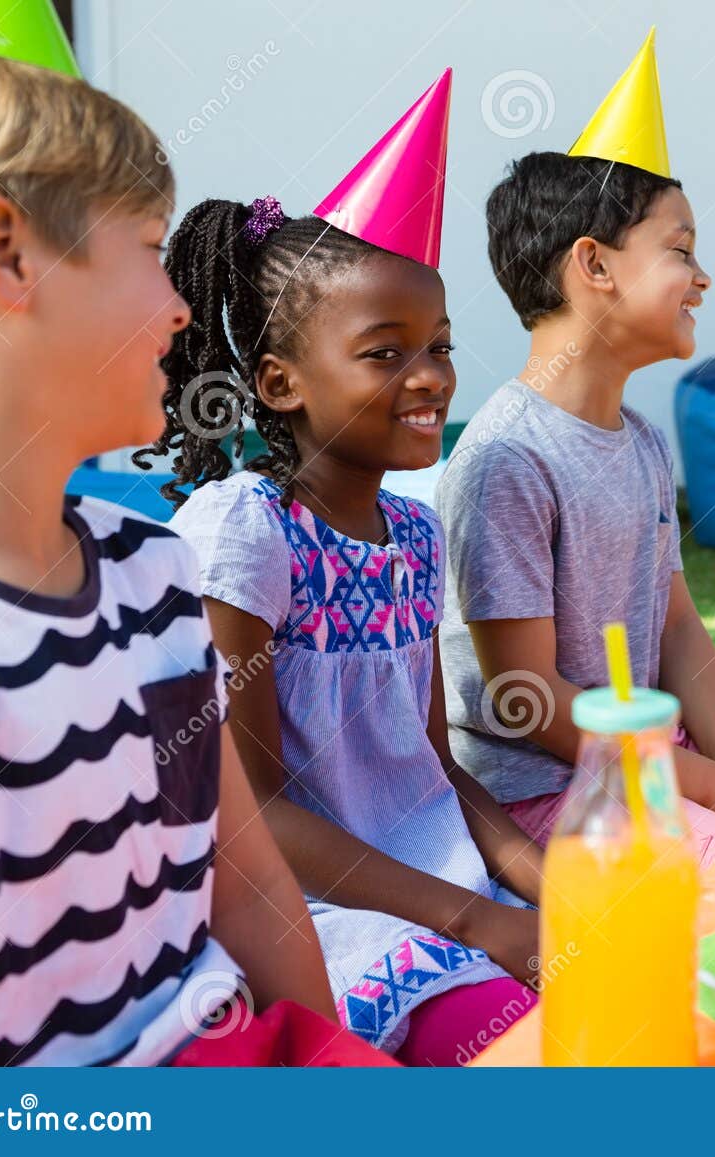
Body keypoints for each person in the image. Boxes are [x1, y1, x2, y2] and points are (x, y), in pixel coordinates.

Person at [0, 52, 335, 1066]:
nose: (179, 306)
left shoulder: (151, 570)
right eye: (148, 248)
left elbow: (247, 884)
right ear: (5, 253)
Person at [149, 72, 543, 1066]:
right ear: (279, 382)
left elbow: (436, 768)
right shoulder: (246, 534)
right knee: (527, 1050)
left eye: (440, 346)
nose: (430, 377)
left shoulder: (411, 535)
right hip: (318, 912)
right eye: (383, 352)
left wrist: (541, 877)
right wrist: (471, 921)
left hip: (443, 881)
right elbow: (254, 813)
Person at [438, 33, 715, 867]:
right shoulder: (506, 458)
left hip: (659, 762)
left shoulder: (644, 442)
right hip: (556, 789)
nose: (702, 277)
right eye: (681, 249)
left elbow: (681, 629)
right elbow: (531, 700)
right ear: (594, 265)